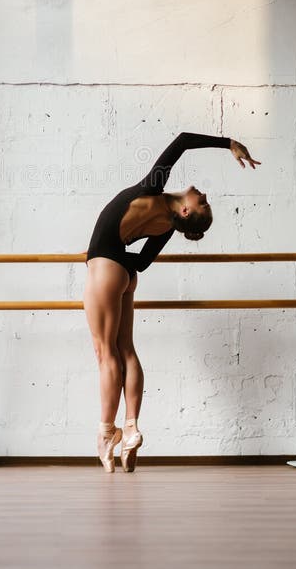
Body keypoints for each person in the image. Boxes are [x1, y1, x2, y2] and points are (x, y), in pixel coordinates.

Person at [84, 131, 261, 473]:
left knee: (105, 354)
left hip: (107, 268)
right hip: (124, 273)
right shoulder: (166, 226)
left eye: (202, 203)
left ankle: (106, 434)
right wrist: (108, 255)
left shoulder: (151, 189)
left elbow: (181, 141)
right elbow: (141, 263)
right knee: (126, 350)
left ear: (185, 210)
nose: (204, 195)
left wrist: (228, 143)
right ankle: (131, 427)